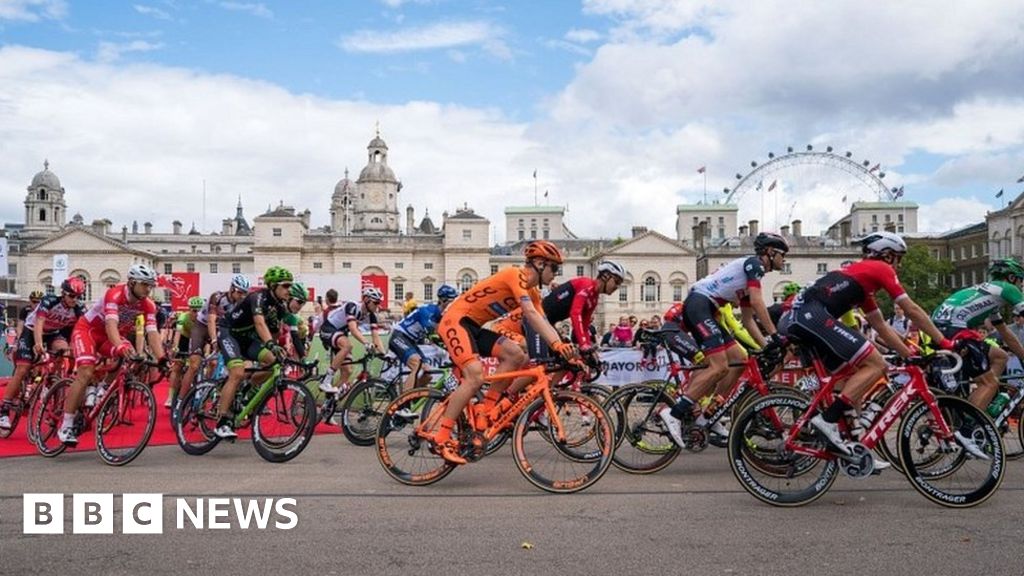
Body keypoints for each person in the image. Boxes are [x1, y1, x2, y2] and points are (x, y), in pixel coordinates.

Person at [779, 232, 961, 458]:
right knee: (876, 364)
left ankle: (853, 445)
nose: (900, 265)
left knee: (852, 377)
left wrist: (909, 353)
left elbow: (881, 326)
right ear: (887, 255)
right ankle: (827, 421)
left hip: (799, 318)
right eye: (898, 258)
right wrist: (944, 341)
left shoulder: (863, 284)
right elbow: (912, 310)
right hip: (810, 317)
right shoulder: (880, 268)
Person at [428, 240, 580, 464]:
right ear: (539, 263)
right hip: (455, 321)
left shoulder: (534, 294)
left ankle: (487, 412)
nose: (555, 274)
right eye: (554, 268)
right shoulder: (515, 274)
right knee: (475, 376)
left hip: (474, 327)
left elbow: (542, 322)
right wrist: (557, 345)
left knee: (516, 355)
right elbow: (529, 312)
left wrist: (563, 348)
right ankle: (440, 438)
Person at [659, 232, 789, 446]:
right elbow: (758, 304)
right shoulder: (754, 264)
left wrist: (765, 346)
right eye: (782, 255)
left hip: (709, 309)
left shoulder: (752, 279)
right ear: (770, 252)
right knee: (719, 367)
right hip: (699, 304)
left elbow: (748, 321)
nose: (784, 260)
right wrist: (775, 336)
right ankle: (675, 413)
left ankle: (708, 416)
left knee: (740, 359)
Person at [62, 264, 167, 445]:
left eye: (151, 285)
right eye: (145, 285)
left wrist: (162, 358)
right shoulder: (115, 294)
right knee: (85, 372)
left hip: (111, 337)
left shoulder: (148, 305)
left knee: (132, 356)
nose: (148, 289)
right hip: (89, 331)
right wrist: (118, 345)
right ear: (132, 282)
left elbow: (152, 333)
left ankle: (103, 388)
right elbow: (111, 324)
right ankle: (66, 424)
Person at [930, 258, 1024, 431]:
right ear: (1011, 278)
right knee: (989, 383)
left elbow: (1005, 333)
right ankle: (969, 427)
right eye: (1021, 281)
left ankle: (978, 399)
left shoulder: (988, 295)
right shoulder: (1007, 288)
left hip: (939, 329)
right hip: (955, 329)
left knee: (1001, 356)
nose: (1021, 286)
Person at [213, 266, 294, 438]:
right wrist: (271, 344)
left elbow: (273, 333)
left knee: (274, 363)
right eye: (285, 286)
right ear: (273, 286)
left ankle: (246, 391)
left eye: (290, 286)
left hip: (247, 340)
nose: (289, 290)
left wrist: (277, 348)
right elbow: (259, 323)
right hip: (229, 333)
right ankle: (222, 422)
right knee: (237, 372)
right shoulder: (258, 297)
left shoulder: (279, 306)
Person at [0, 278, 86, 431]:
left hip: (53, 333)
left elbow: (79, 330)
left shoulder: (78, 309)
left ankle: (50, 381)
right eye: (72, 296)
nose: (75, 300)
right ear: (63, 294)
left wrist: (75, 348)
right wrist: (38, 343)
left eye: (79, 296)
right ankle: (4, 410)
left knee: (64, 351)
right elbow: (39, 322)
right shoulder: (49, 301)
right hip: (32, 331)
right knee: (23, 368)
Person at [177, 274, 250, 409]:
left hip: (220, 328)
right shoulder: (217, 297)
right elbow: (211, 320)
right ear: (232, 289)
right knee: (194, 365)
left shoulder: (241, 303)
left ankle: (208, 388)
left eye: (244, 293)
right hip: (202, 326)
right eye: (239, 292)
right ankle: (180, 401)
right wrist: (215, 340)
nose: (241, 296)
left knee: (217, 363)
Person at [389, 284, 458, 394]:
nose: (454, 305)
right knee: (417, 365)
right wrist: (451, 350)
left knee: (428, 374)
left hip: (411, 341)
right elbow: (432, 336)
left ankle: (410, 397)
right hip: (399, 336)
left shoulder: (441, 316)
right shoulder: (427, 311)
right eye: (452, 301)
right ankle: (402, 404)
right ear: (443, 301)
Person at [317, 286, 385, 394]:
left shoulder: (372, 316)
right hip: (328, 329)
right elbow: (353, 329)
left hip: (340, 334)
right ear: (366, 300)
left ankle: (329, 402)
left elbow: (375, 337)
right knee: (347, 345)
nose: (378, 306)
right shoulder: (352, 306)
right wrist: (366, 343)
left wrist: (384, 354)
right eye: (376, 303)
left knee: (347, 372)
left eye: (379, 303)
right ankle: (327, 380)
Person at [165, 296, 204, 408]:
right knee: (177, 367)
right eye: (194, 310)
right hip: (184, 339)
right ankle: (171, 397)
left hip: (198, 339)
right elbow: (178, 332)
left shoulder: (202, 319)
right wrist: (175, 347)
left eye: (199, 310)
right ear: (189, 309)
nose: (196, 314)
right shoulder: (183, 316)